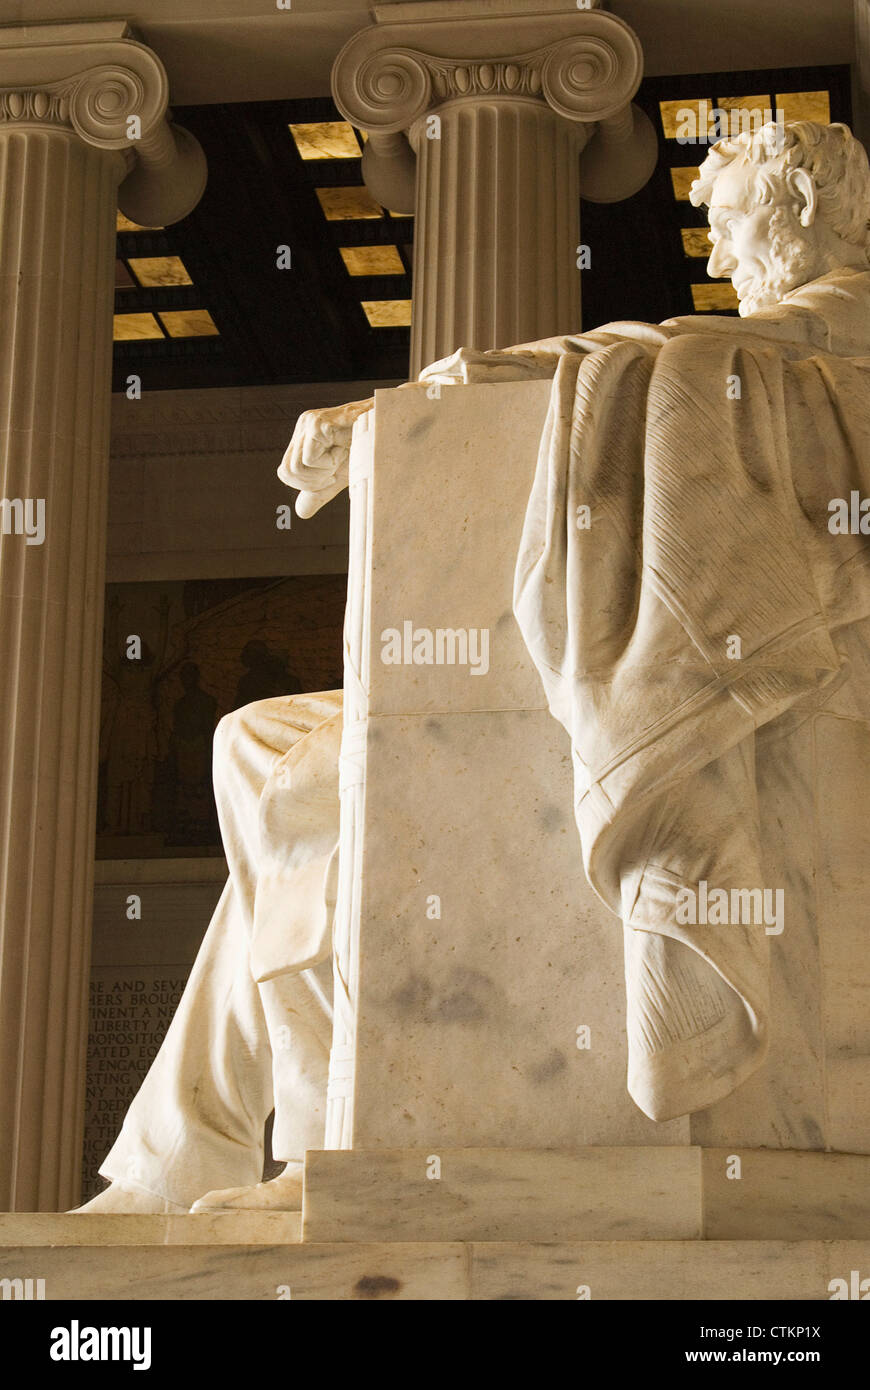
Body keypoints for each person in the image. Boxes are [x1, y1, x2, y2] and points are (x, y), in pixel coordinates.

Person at [76, 120, 870, 1212]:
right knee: (248, 741)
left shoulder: (823, 341)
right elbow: (640, 346)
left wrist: (454, 393)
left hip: (695, 684)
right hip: (587, 673)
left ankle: (263, 1157)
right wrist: (396, 411)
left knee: (300, 790)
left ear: (805, 208)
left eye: (731, 223)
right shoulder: (758, 347)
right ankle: (245, 1146)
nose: (723, 257)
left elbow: (655, 353)